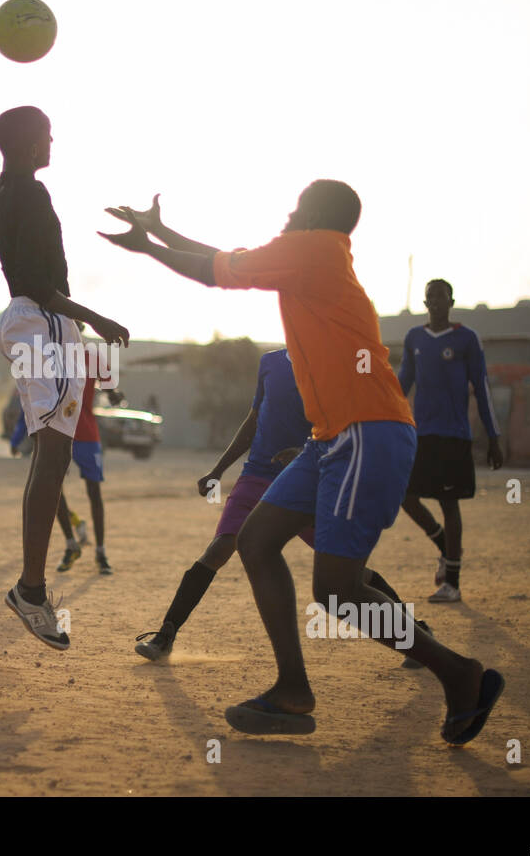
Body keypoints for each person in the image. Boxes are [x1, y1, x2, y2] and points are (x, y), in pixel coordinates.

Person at [101, 182, 503, 745]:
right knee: (257, 540)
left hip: (368, 431)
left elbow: (218, 271)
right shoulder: (313, 256)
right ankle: (292, 689)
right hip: (330, 439)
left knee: (337, 591)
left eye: (294, 207)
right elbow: (231, 260)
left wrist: (150, 247)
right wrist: (160, 232)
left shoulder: (315, 250)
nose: (287, 215)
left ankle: (457, 673)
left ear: (313, 215)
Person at [0, 105, 129, 650]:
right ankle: (30, 590)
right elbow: (32, 278)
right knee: (52, 457)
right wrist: (94, 318)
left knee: (50, 456)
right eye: (48, 136)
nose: (53, 143)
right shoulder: (29, 193)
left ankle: (32, 588)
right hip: (43, 322)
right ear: (31, 145)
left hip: (38, 324)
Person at [134, 348, 428, 668]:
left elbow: (345, 421)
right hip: (257, 473)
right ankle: (165, 636)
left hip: (306, 478)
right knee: (218, 549)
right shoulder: (270, 362)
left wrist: (307, 451)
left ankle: (415, 635)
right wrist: (218, 470)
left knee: (347, 571)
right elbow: (255, 417)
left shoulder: (332, 360)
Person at [398, 279, 503, 602]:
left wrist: (493, 435)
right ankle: (445, 546)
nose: (435, 303)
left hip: (454, 436)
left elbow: (481, 388)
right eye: (430, 298)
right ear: (425, 303)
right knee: (406, 496)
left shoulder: (466, 339)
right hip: (422, 434)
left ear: (451, 301)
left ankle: (452, 584)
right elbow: (402, 384)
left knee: (448, 503)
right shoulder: (415, 338)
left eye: (441, 298)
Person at [55, 344, 111, 574]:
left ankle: (101, 551)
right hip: (59, 432)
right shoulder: (51, 355)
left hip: (87, 434)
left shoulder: (92, 356)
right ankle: (71, 544)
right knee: (53, 489)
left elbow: (110, 384)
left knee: (94, 493)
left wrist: (114, 393)